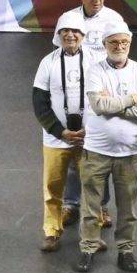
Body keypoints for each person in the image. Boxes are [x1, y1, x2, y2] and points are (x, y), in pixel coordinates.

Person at [76, 27, 137, 273]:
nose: (119, 46)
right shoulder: (95, 71)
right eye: (114, 42)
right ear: (105, 45)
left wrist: (115, 105)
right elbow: (98, 105)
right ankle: (88, 248)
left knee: (127, 207)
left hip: (129, 153)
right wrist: (133, 99)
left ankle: (126, 250)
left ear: (129, 43)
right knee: (91, 205)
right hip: (96, 151)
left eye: (124, 42)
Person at [30, 21, 91, 253]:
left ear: (83, 35)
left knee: (91, 188)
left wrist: (90, 129)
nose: (71, 35)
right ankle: (51, 231)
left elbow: (102, 98)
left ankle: (90, 235)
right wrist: (60, 131)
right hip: (56, 139)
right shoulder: (48, 62)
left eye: (75, 31)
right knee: (53, 187)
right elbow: (39, 102)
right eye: (65, 31)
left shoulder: (95, 60)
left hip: (88, 138)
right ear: (58, 35)